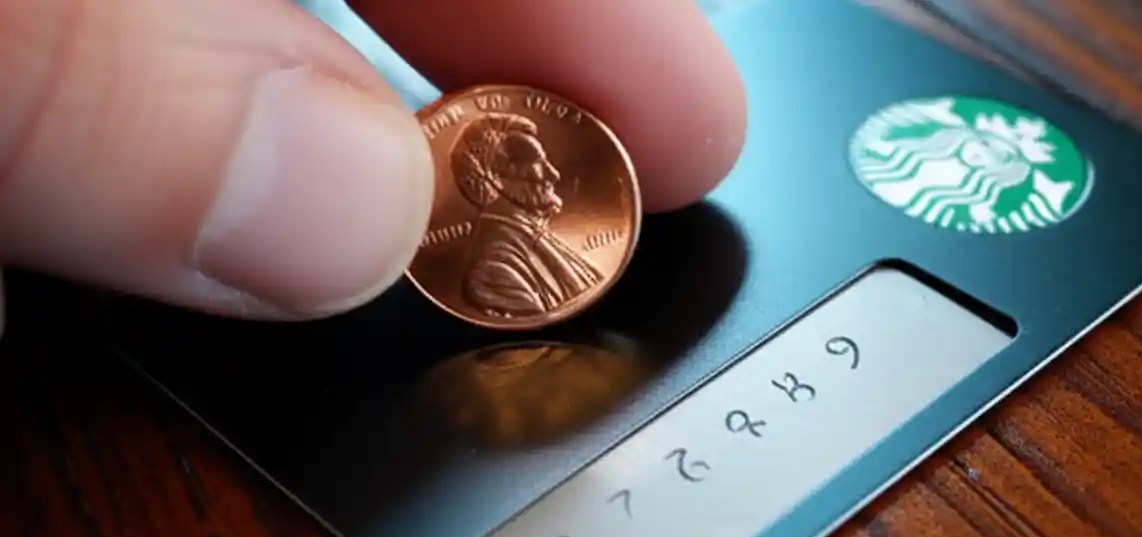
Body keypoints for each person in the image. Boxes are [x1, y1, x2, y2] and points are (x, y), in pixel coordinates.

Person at [0, 0, 747, 334]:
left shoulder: (542, 250)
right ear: (489, 183)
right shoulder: (496, 266)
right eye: (531, 171)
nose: (553, 181)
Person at [452, 113, 603, 318]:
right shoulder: (493, 270)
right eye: (537, 163)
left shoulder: (537, 236)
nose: (554, 174)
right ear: (496, 179)